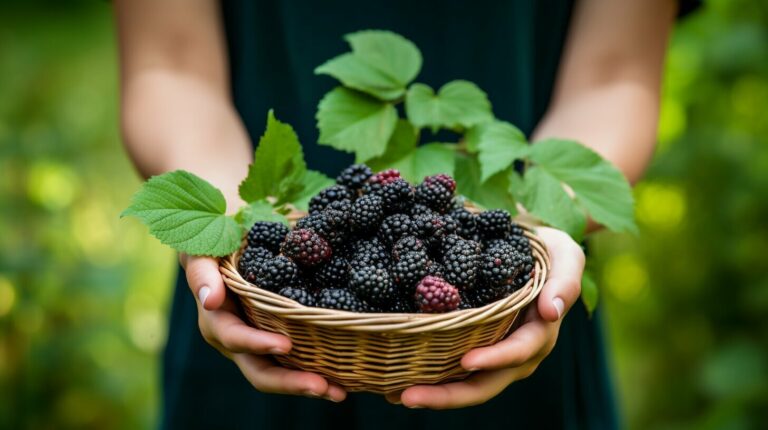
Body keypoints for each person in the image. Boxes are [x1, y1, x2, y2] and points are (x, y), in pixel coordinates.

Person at [115, 0, 697, 428]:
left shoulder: (469, 251)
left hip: (502, 334)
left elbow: (616, 74)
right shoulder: (290, 251)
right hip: (263, 325)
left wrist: (534, 220)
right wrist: (235, 219)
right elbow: (169, 63)